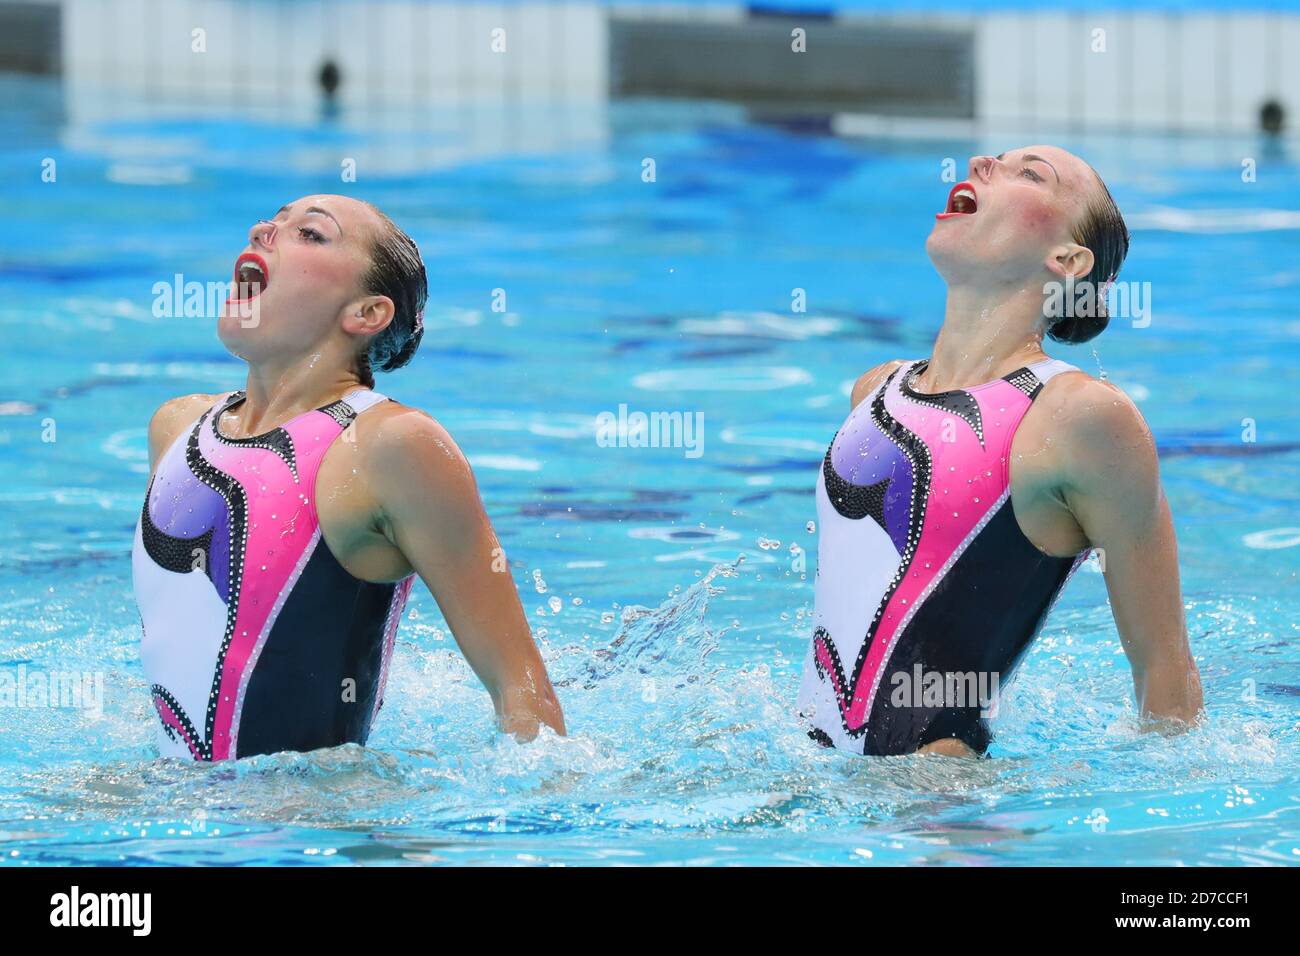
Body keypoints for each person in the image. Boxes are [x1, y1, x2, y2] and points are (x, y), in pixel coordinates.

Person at [797, 147, 1203, 757]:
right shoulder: (874, 389)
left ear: (1067, 261)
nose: (983, 161)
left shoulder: (1079, 417)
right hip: (809, 779)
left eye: (1031, 173)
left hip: (939, 811)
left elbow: (1164, 671)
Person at [133, 195, 564, 761]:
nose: (264, 229)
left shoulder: (390, 446)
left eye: (311, 234)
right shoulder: (179, 429)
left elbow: (519, 685)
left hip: (314, 829)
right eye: (272, 219)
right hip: (174, 818)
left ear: (367, 314)